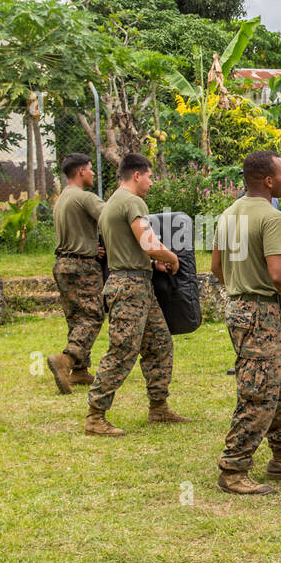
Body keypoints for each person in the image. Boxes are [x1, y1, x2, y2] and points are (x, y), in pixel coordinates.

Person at [212, 151, 281, 495]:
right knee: (259, 393)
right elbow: (279, 273)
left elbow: (217, 268)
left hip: (239, 309)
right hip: (260, 313)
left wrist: (240, 285)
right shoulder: (272, 217)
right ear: (268, 180)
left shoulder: (228, 214)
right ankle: (233, 469)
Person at [84, 153, 185, 437]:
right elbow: (148, 242)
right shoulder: (132, 202)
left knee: (160, 344)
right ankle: (95, 415)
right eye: (150, 177)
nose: (152, 183)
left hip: (134, 282)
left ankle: (158, 406)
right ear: (137, 175)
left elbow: (126, 248)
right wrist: (171, 258)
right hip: (129, 287)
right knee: (122, 350)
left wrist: (153, 264)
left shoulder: (112, 203)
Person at [47, 153, 105, 394]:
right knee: (93, 315)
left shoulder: (61, 199)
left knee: (76, 318)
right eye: (91, 169)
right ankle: (67, 360)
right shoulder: (85, 198)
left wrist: (93, 246)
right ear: (81, 171)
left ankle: (80, 371)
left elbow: (77, 233)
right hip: (82, 265)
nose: (93, 173)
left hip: (63, 264)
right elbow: (113, 218)